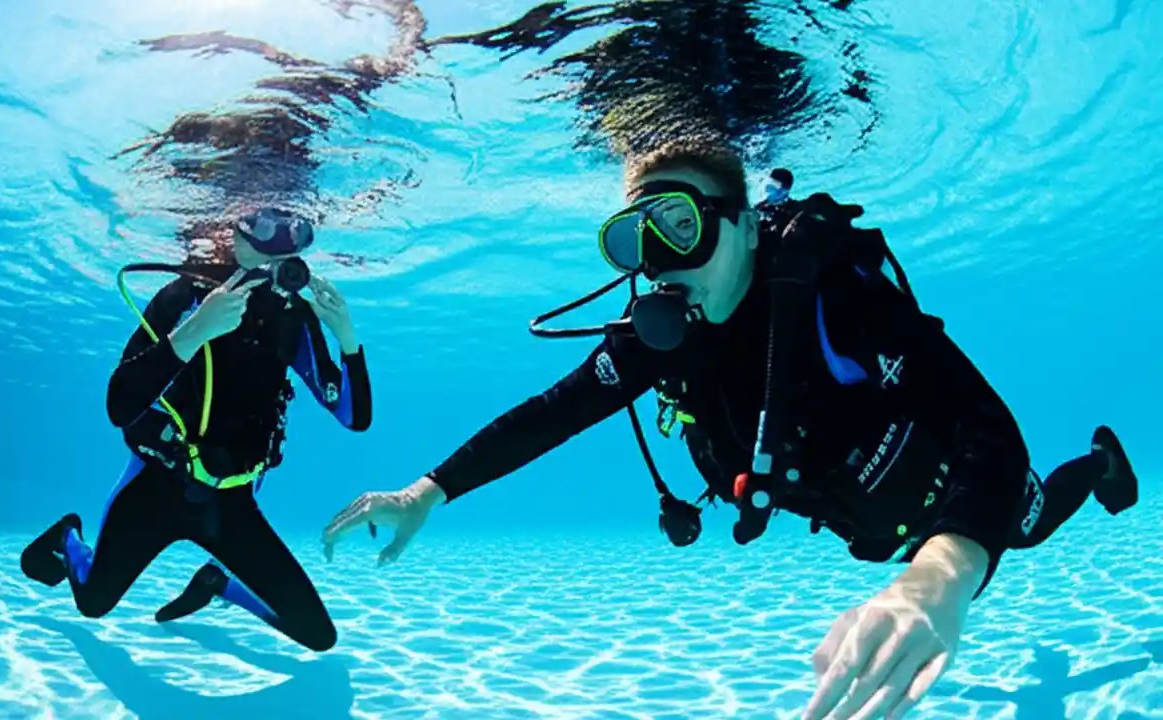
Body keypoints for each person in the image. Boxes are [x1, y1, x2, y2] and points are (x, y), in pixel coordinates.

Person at [319, 140, 1138, 717]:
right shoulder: (652, 343)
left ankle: (1099, 466)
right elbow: (550, 414)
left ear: (745, 225)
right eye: (633, 242)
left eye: (679, 226)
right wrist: (427, 491)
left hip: (942, 491)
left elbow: (987, 428)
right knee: (934, 545)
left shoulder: (835, 299)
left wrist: (942, 578)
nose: (659, 261)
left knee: (1024, 528)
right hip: (866, 520)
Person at [21, 207, 372, 652]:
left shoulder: (293, 317)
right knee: (93, 602)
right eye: (263, 229)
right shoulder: (184, 296)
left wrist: (346, 336)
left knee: (319, 636)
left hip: (232, 503)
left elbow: (352, 417)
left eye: (294, 234)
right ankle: (67, 539)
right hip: (156, 489)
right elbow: (119, 404)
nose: (278, 245)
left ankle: (217, 584)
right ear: (234, 237)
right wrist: (196, 331)